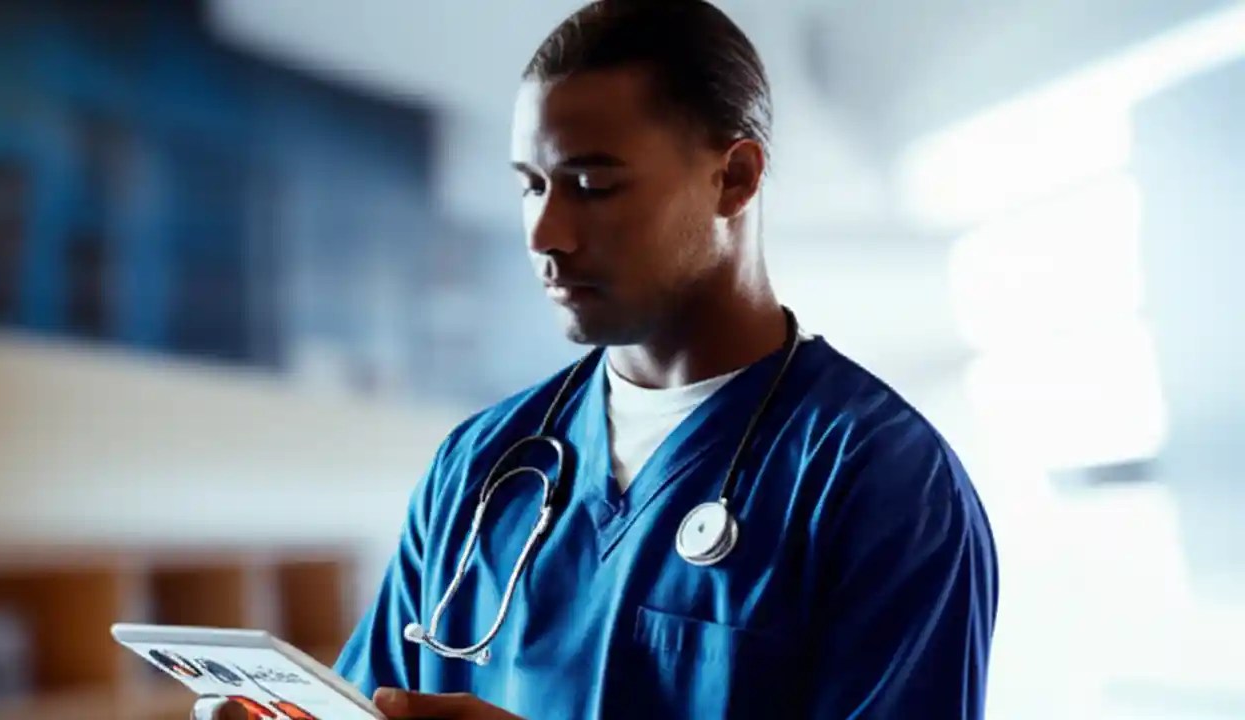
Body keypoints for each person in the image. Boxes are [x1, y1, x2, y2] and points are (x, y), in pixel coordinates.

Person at [199, 1, 997, 718]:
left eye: (591, 184)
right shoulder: (476, 470)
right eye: (531, 185)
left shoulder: (883, 484)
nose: (546, 233)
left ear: (735, 178)